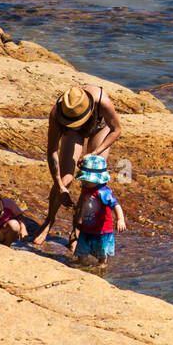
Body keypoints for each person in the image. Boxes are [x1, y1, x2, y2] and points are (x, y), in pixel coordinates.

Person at [30, 84, 123, 246]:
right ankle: (49, 221)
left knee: (91, 180)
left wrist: (93, 154)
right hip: (73, 130)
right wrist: (59, 184)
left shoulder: (102, 102)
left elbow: (116, 130)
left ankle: (78, 228)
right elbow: (52, 150)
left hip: (100, 126)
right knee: (66, 179)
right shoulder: (58, 112)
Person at [69, 155, 126, 264]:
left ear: (98, 180)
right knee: (82, 250)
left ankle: (102, 265)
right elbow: (84, 204)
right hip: (87, 227)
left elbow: (116, 205)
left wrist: (120, 219)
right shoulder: (86, 187)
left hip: (102, 230)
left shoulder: (103, 191)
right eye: (84, 179)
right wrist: (79, 218)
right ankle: (81, 264)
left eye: (87, 179)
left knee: (102, 251)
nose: (84, 181)